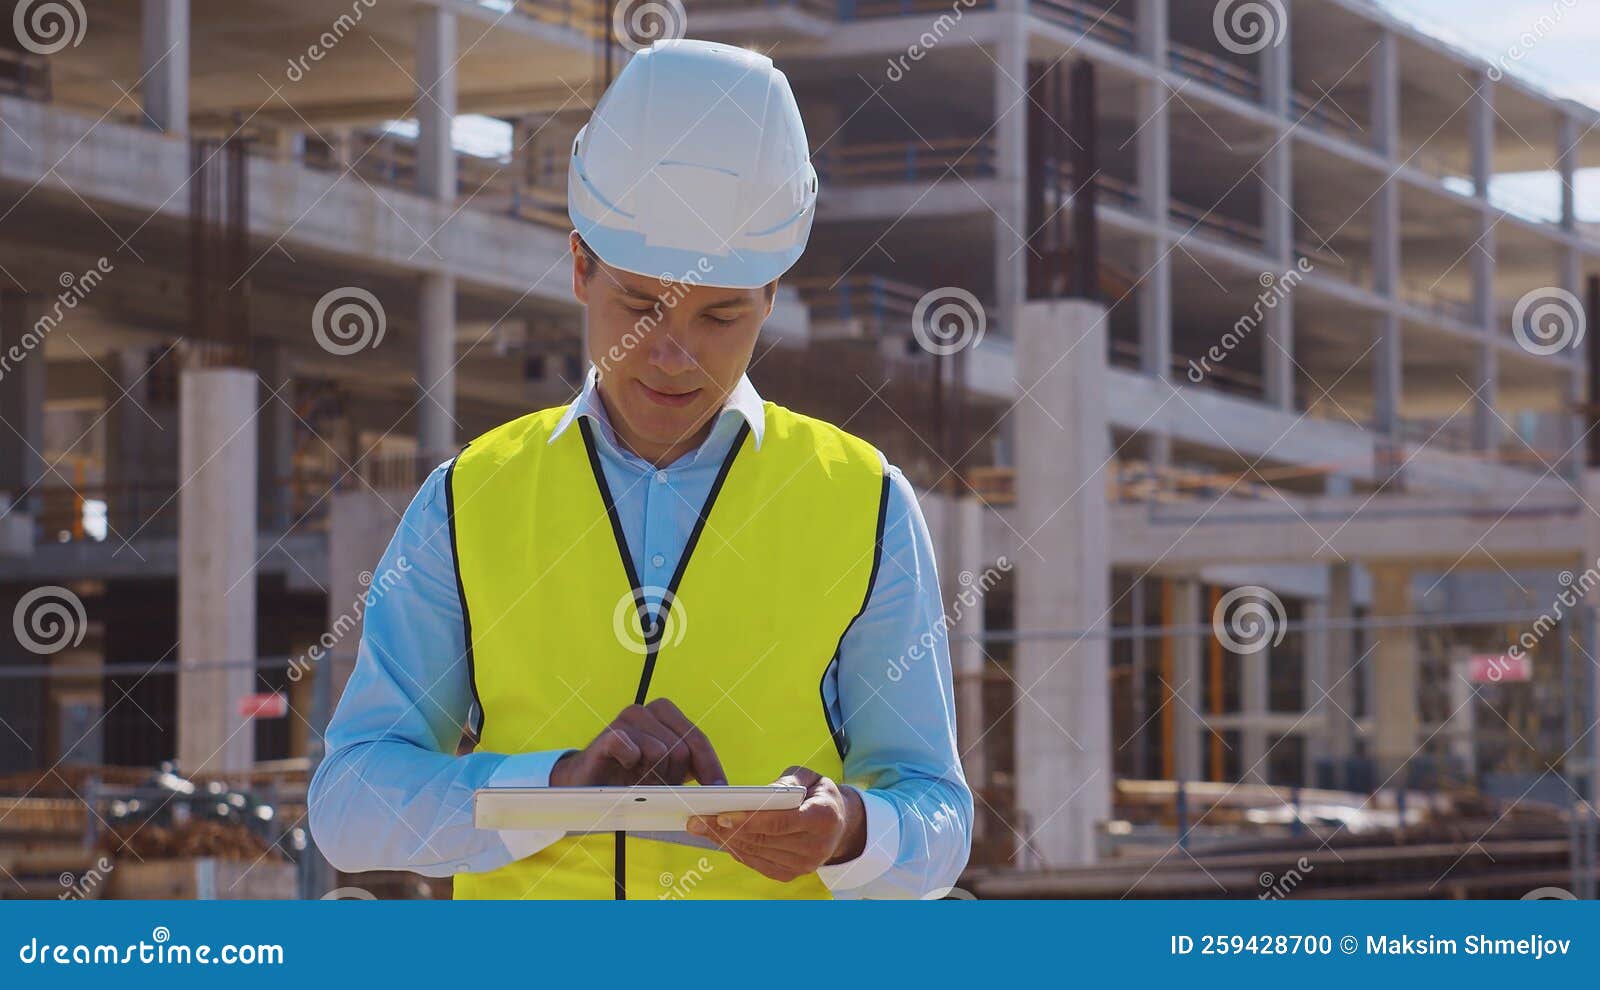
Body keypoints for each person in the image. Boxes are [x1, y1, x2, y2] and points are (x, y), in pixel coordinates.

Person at [308, 38, 971, 899]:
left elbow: (937, 813)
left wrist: (850, 830)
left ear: (771, 295)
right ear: (580, 267)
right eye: (640, 305)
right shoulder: (468, 499)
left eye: (720, 317)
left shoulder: (865, 501)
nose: (672, 355)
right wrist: (551, 790)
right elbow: (349, 804)